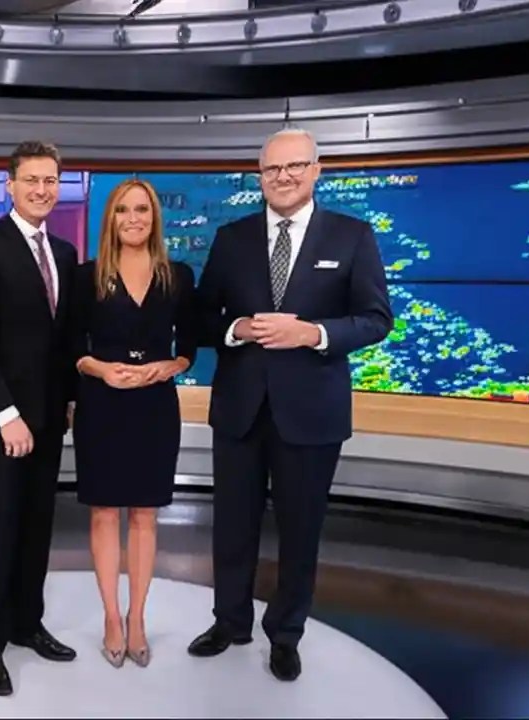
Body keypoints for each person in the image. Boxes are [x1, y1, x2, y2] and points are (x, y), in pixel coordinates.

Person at [188, 127, 392, 681]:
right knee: (232, 524)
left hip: (312, 412)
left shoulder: (352, 236)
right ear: (260, 176)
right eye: (272, 170)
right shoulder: (232, 238)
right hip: (240, 409)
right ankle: (230, 620)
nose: (283, 177)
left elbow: (377, 320)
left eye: (294, 167)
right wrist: (237, 329)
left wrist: (314, 334)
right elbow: (203, 317)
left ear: (316, 170)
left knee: (301, 530)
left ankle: (286, 633)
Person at [0, 140, 80, 697]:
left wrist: (68, 402)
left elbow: (65, 339)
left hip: (50, 419)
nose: (42, 189)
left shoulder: (67, 254)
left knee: (36, 527)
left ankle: (27, 623)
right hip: (2, 420)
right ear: (10, 184)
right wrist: (7, 415)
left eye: (51, 180)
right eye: (31, 180)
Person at [70, 178, 199, 669]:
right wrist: (101, 369)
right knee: (104, 511)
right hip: (102, 404)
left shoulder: (177, 275)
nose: (133, 218)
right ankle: (110, 617)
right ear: (111, 218)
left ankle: (138, 617)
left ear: (154, 217)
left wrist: (169, 367)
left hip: (153, 407)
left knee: (145, 513)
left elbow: (190, 343)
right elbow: (70, 348)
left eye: (142, 210)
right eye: (123, 210)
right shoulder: (87, 276)